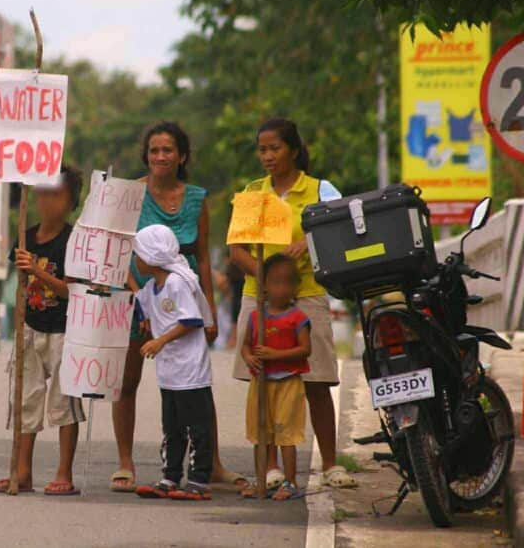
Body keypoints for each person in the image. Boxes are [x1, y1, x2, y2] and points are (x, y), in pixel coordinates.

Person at [110, 121, 246, 493]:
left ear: (182, 156)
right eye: (153, 150)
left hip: (183, 301)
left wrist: (210, 312)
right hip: (138, 295)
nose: (160, 156)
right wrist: (142, 300)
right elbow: (119, 252)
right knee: (128, 379)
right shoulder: (130, 195)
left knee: (196, 385)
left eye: (167, 150)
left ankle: (211, 464)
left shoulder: (196, 198)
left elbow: (203, 258)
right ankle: (125, 462)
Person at [230, 117, 358, 490]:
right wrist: (268, 282)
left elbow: (344, 230)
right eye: (262, 150)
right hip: (261, 299)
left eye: (275, 148)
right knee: (265, 381)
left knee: (316, 379)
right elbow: (236, 250)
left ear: (294, 150)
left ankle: (331, 464)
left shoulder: (320, 190)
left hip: (307, 295)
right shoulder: (254, 193)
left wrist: (311, 242)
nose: (267, 156)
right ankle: (271, 466)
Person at [0, 165, 85, 496]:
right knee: (25, 400)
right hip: (29, 330)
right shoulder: (25, 239)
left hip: (64, 331)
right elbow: (18, 286)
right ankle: (22, 470)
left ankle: (64, 472)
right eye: (42, 193)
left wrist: (38, 271)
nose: (47, 201)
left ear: (71, 200)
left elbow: (71, 291)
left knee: (64, 403)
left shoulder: (74, 241)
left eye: (55, 194)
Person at [130, 224, 215, 501]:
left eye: (138, 255)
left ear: (152, 257)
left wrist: (160, 341)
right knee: (172, 427)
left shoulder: (177, 284)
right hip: (170, 373)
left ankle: (200, 480)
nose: (136, 260)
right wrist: (122, 275)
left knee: (197, 427)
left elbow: (191, 321)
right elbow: (138, 298)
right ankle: (170, 476)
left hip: (190, 369)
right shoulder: (154, 286)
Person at [241, 254, 312, 501]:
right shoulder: (255, 316)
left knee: (286, 434)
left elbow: (305, 349)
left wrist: (276, 354)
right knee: (260, 433)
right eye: (274, 282)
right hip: (261, 383)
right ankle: (261, 478)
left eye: (286, 283)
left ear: (295, 287)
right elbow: (246, 345)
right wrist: (250, 358)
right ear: (264, 285)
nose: (280, 288)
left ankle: (291, 482)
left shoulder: (298, 318)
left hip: (288, 382)